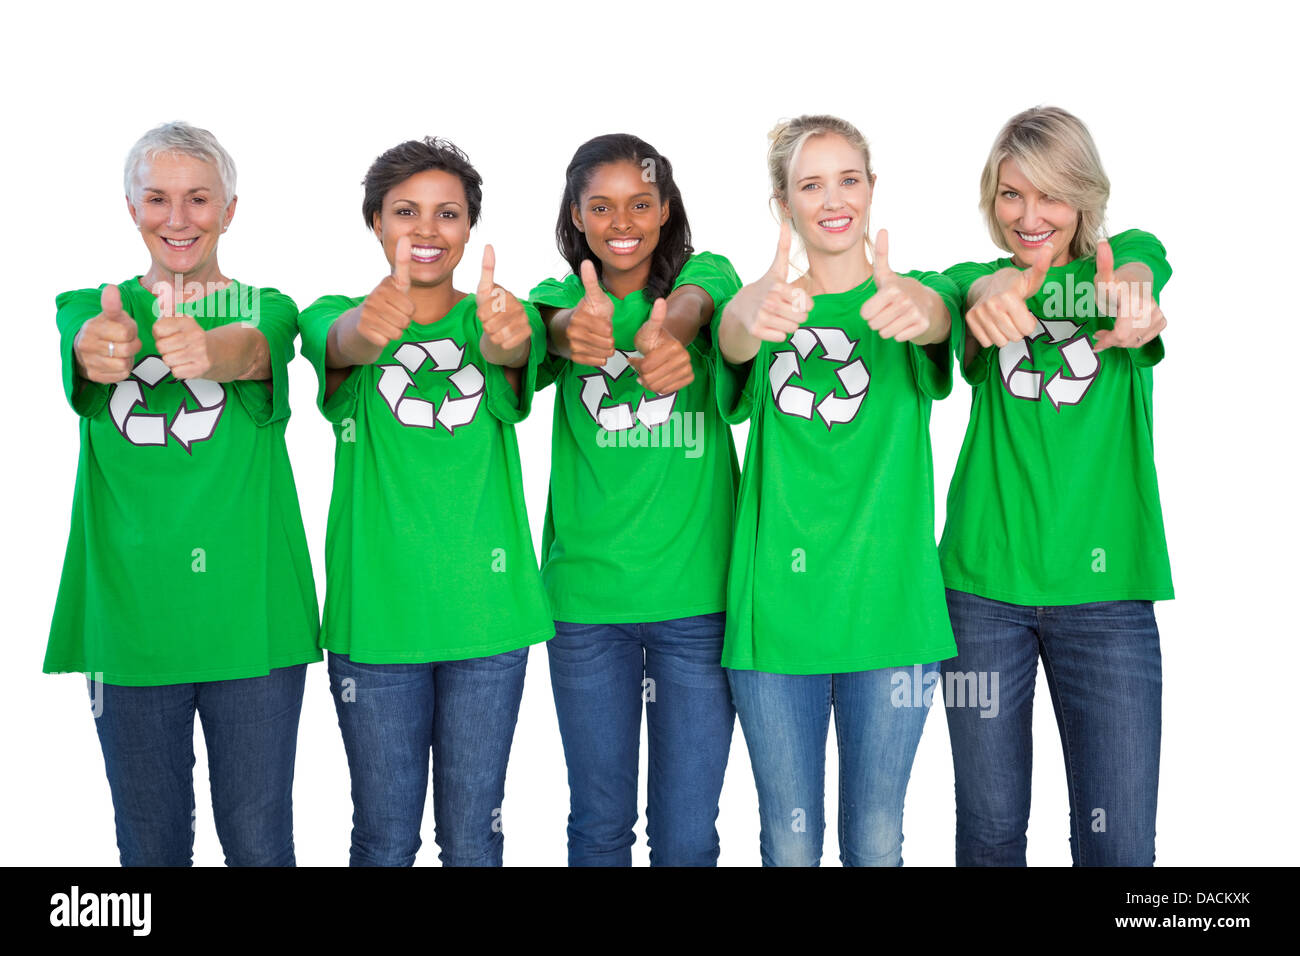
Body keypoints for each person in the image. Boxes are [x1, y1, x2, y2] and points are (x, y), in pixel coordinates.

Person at [46, 120, 320, 866]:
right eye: (158, 198)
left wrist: (208, 348)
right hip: (131, 621)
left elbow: (253, 347)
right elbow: (87, 349)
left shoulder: (269, 308)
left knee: (261, 844)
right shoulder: (88, 308)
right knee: (149, 848)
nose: (178, 218)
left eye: (199, 199)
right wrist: (100, 348)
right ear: (131, 208)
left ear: (230, 211)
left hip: (254, 622)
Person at [298, 137, 552, 867]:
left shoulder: (504, 315)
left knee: (476, 838)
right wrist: (363, 330)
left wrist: (507, 337)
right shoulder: (327, 314)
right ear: (374, 222)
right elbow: (339, 341)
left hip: (487, 619)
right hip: (375, 621)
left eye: (447, 213)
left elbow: (516, 351)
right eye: (405, 211)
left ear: (470, 227)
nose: (427, 229)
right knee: (384, 838)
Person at [714, 115, 958, 867]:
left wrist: (920, 313)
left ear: (872, 189)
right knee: (789, 841)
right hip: (775, 617)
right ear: (782, 204)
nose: (832, 199)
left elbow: (938, 318)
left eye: (848, 178)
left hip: (890, 614)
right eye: (810, 184)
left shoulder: (915, 297)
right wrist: (748, 313)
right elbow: (731, 340)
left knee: (877, 839)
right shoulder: (765, 310)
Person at [939, 105, 1171, 867]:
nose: (1029, 215)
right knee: (991, 834)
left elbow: (1140, 272)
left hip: (1106, 601)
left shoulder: (1124, 258)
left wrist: (1132, 302)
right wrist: (984, 303)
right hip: (982, 593)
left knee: (1121, 845)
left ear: (1085, 198)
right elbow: (963, 299)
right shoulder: (979, 281)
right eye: (1011, 195)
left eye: (1051, 195)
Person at [529, 133, 742, 866]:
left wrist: (671, 331)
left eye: (640, 203)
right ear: (577, 216)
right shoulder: (557, 299)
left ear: (665, 208)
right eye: (602, 206)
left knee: (686, 833)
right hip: (586, 609)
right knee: (598, 823)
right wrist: (570, 333)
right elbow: (549, 332)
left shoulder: (710, 280)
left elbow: (698, 297)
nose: (623, 222)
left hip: (698, 605)